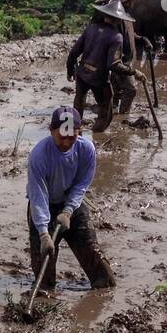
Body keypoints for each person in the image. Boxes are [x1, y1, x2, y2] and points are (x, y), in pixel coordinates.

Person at [25, 107, 114, 293]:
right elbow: (38, 195)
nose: (66, 143)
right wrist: (43, 233)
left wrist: (68, 210)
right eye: (61, 137)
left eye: (71, 137)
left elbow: (82, 184)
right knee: (44, 267)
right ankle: (46, 291)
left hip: (72, 205)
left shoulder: (86, 150)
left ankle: (103, 288)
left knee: (94, 256)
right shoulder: (39, 155)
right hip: (44, 205)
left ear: (79, 132)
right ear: (51, 130)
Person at [66, 0, 146, 132]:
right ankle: (96, 137)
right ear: (118, 19)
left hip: (82, 73)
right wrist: (134, 72)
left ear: (104, 15)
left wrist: (70, 70)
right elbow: (114, 65)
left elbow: (74, 52)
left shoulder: (91, 28)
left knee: (78, 104)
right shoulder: (116, 37)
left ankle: (74, 134)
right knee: (106, 112)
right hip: (98, 78)